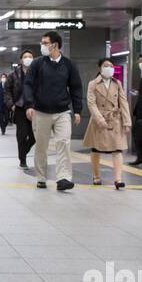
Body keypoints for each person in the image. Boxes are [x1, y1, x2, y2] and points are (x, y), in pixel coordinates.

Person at [24, 30, 83, 191]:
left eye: (45, 43)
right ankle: (41, 177)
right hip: (41, 112)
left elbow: (76, 88)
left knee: (63, 143)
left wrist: (77, 110)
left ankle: (63, 178)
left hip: (62, 112)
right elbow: (28, 84)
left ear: (55, 45)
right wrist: (29, 105)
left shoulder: (69, 65)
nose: (42, 46)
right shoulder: (37, 64)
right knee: (41, 146)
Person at [84, 57, 131, 189]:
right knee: (96, 149)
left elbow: (123, 102)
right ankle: (96, 176)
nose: (109, 68)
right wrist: (100, 119)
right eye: (106, 65)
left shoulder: (117, 83)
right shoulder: (93, 84)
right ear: (100, 68)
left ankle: (118, 179)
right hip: (98, 120)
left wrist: (127, 122)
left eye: (111, 65)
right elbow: (91, 103)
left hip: (115, 120)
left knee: (117, 149)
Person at [5, 50, 35, 169]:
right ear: (21, 60)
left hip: (34, 109)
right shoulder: (13, 74)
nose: (28, 58)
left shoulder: (36, 73)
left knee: (34, 136)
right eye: (25, 57)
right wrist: (11, 104)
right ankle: (22, 160)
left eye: (30, 56)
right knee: (22, 135)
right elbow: (7, 91)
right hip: (20, 108)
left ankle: (24, 152)